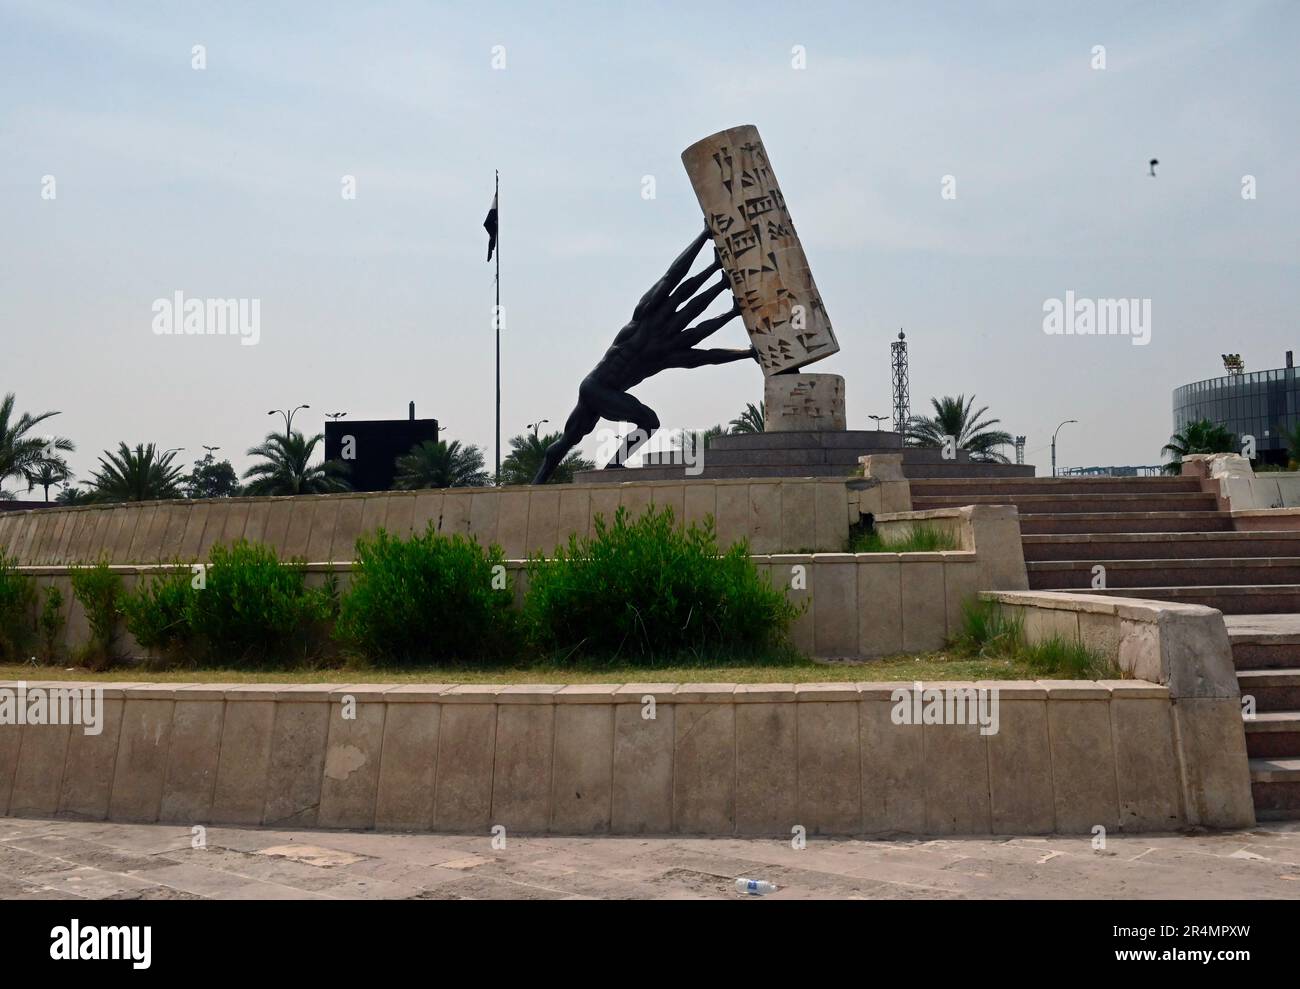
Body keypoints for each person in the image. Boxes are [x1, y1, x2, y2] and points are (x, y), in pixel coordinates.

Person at [532, 225, 755, 484]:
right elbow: (673, 277)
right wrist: (706, 242)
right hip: (598, 387)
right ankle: (613, 466)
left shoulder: (666, 350)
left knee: (568, 440)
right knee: (648, 421)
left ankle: (538, 484)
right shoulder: (644, 318)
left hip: (594, 389)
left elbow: (706, 354)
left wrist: (738, 334)